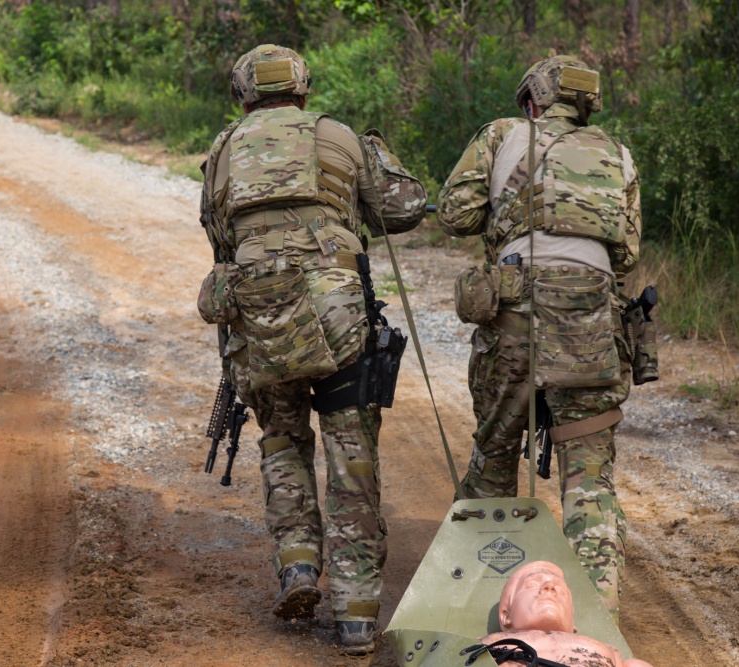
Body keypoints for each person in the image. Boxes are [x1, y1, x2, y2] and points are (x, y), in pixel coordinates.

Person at [197, 44, 424, 655]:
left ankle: (298, 566)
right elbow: (404, 211)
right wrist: (374, 153)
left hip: (263, 315)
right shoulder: (338, 137)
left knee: (282, 440)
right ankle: (356, 616)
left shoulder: (222, 151)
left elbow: (219, 235)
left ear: (243, 96)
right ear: (302, 91)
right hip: (339, 312)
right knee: (350, 455)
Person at [436, 55, 642, 621]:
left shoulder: (503, 135)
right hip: (591, 319)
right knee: (590, 475)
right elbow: (625, 253)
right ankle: (598, 617)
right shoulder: (617, 155)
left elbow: (455, 213)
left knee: (496, 453)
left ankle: (472, 608)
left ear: (533, 100)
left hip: (517, 313)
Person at [477, 561, 654, 667]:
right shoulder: (482, 645)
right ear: (506, 616)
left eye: (561, 590)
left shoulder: (608, 651)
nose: (549, 588)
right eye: (532, 584)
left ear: (573, 624)